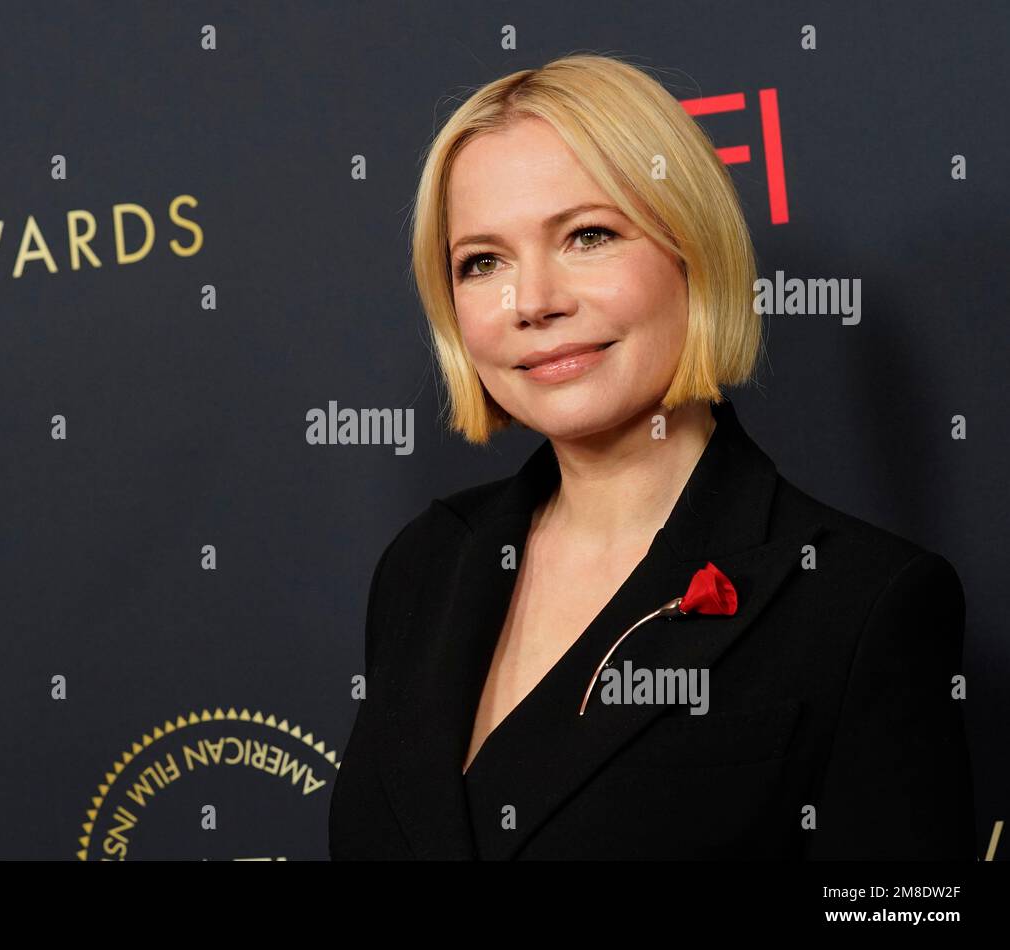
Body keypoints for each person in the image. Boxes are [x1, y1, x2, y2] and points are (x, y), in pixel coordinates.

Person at [328, 53, 975, 860]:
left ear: (691, 252)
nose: (533, 302)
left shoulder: (862, 604)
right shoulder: (426, 563)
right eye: (482, 262)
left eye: (588, 236)